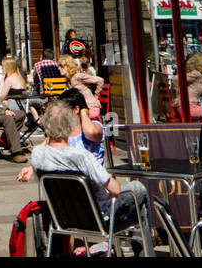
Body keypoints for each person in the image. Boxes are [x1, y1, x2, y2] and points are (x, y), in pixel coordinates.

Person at [18, 100, 155, 255]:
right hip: (98, 218)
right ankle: (146, 247)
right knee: (138, 190)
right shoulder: (82, 157)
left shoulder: (37, 154)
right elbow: (115, 190)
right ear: (69, 125)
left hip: (62, 217)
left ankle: (138, 242)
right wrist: (106, 179)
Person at [58, 87, 105, 166]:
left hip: (89, 175)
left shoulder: (95, 125)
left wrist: (84, 112)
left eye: (62, 109)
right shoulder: (62, 130)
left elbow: (90, 133)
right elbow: (44, 149)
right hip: (66, 174)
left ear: (76, 109)